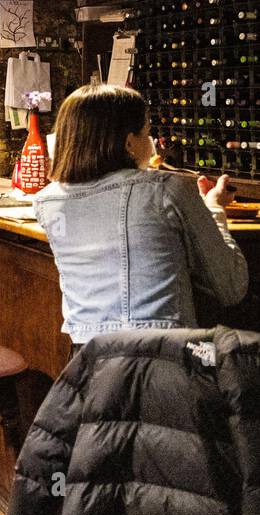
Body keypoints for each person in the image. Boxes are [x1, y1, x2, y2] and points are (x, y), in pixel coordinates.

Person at [35, 84, 248, 349]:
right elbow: (229, 286)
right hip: (164, 361)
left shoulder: (46, 201)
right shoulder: (166, 189)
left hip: (88, 364)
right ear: (128, 142)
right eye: (147, 133)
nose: (153, 143)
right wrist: (214, 208)